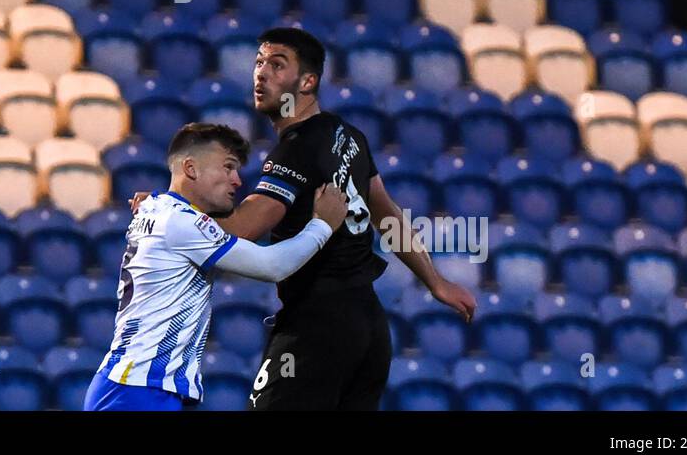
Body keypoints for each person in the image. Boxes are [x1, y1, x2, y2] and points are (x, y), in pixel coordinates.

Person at [131, 27, 477, 410]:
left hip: (317, 327)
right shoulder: (349, 136)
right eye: (259, 63)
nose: (261, 73)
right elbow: (387, 214)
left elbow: (243, 230)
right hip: (369, 326)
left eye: (277, 65)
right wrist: (436, 282)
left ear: (308, 81)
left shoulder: (295, 150)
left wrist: (173, 205)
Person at [85, 122, 348, 411]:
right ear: (191, 168)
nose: (237, 180)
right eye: (227, 167)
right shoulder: (180, 222)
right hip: (139, 392)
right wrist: (322, 226)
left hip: (138, 388)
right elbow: (272, 266)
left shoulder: (159, 210)